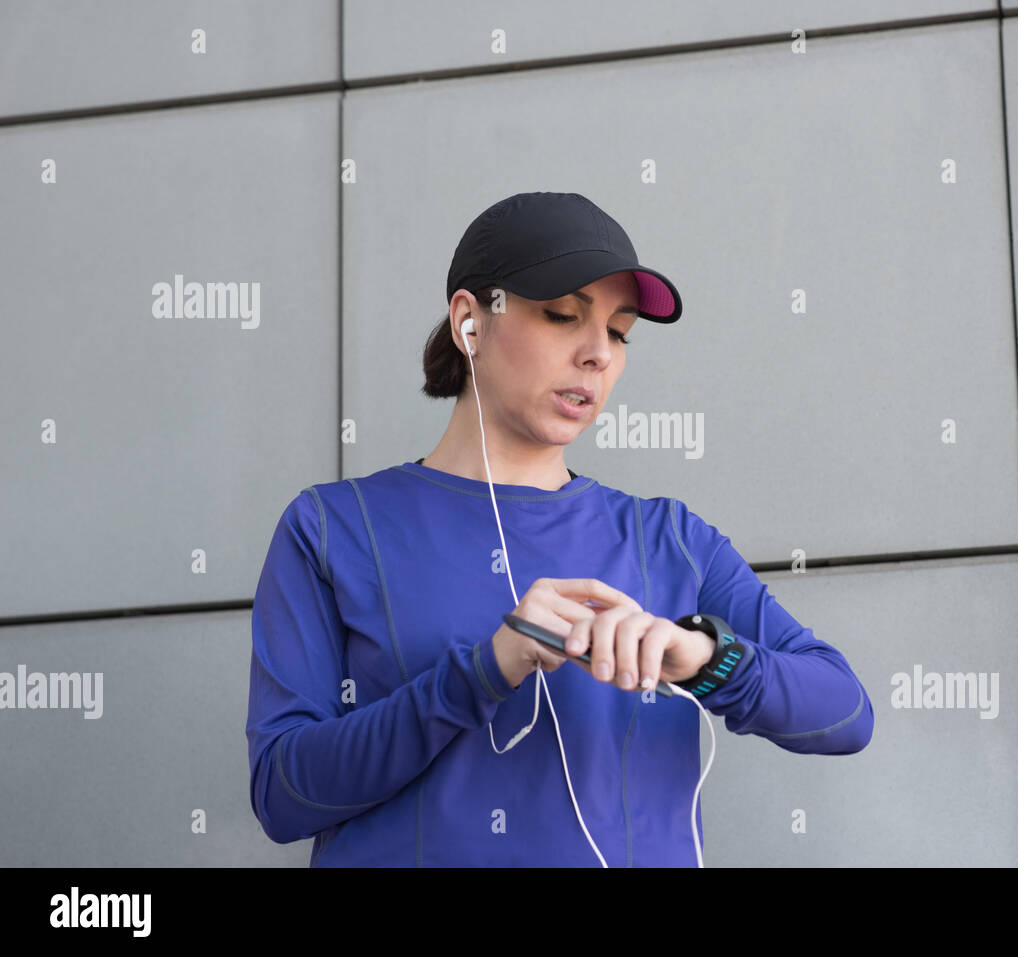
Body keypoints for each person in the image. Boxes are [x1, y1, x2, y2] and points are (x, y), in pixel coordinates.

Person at [245, 191, 874, 867]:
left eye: (619, 330)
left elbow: (845, 712)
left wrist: (704, 658)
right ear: (470, 323)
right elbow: (282, 792)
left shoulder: (669, 538)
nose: (597, 353)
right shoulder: (333, 528)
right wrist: (483, 672)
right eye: (563, 315)